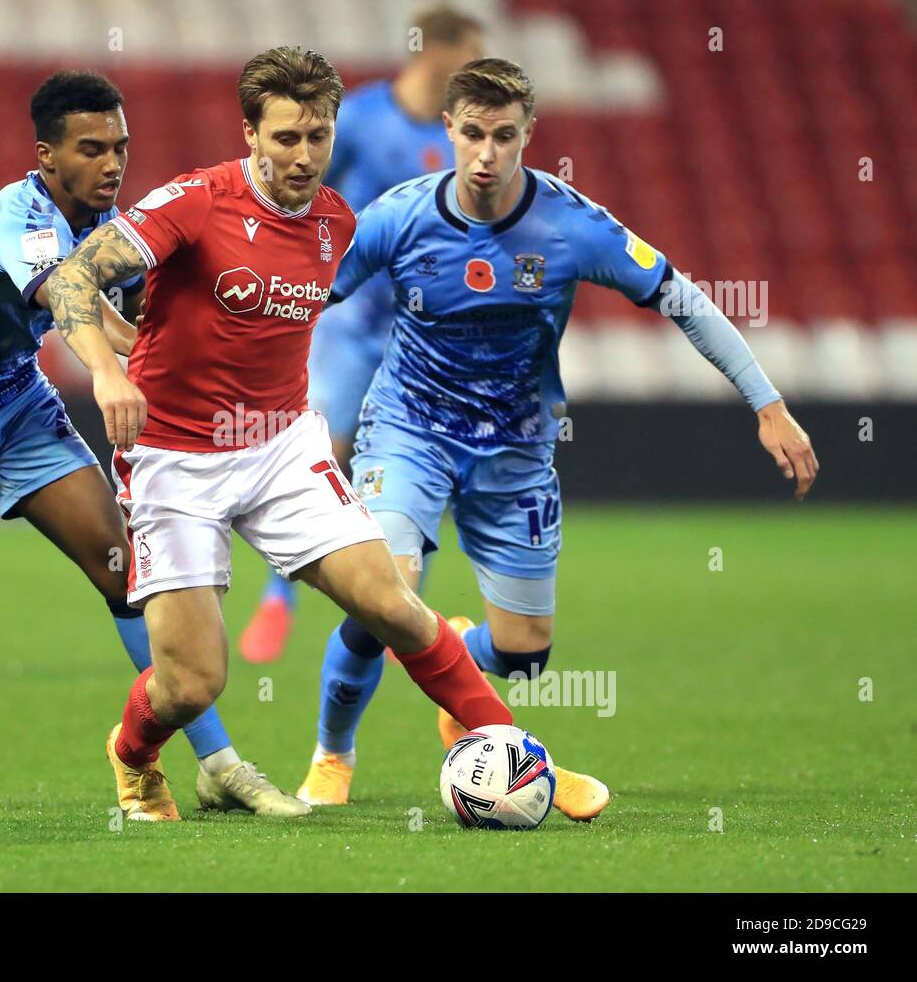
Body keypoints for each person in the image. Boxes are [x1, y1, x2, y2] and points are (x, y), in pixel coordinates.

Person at [294, 58, 819, 816]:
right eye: (471, 133)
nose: (485, 153)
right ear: (448, 129)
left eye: (504, 136)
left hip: (517, 446)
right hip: (408, 429)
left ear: (528, 135)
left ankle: (459, 678)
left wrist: (766, 402)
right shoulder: (395, 216)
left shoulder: (571, 224)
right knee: (387, 595)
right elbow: (299, 300)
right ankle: (332, 755)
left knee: (526, 650)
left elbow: (681, 296)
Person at [0, 70, 305, 817]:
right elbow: (68, 300)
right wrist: (111, 372)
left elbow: (122, 315)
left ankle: (217, 762)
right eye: (91, 149)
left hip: (12, 403)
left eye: (121, 147)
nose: (112, 164)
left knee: (126, 569)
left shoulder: (107, 224)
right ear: (47, 156)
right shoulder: (23, 219)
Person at [43, 46, 515, 822]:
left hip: (282, 448)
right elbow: (70, 277)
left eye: (318, 137)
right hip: (174, 458)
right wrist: (106, 366)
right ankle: (132, 754)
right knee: (192, 683)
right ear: (251, 135)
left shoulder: (336, 224)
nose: (304, 156)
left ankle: (512, 747)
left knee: (393, 606)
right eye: (286, 138)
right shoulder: (196, 201)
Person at [238, 5, 485, 664]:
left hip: (421, 334)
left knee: (416, 460)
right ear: (436, 53)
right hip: (347, 321)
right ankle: (277, 593)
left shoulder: (463, 135)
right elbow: (294, 183)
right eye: (469, 55)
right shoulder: (364, 121)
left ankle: (400, 600)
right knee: (324, 451)